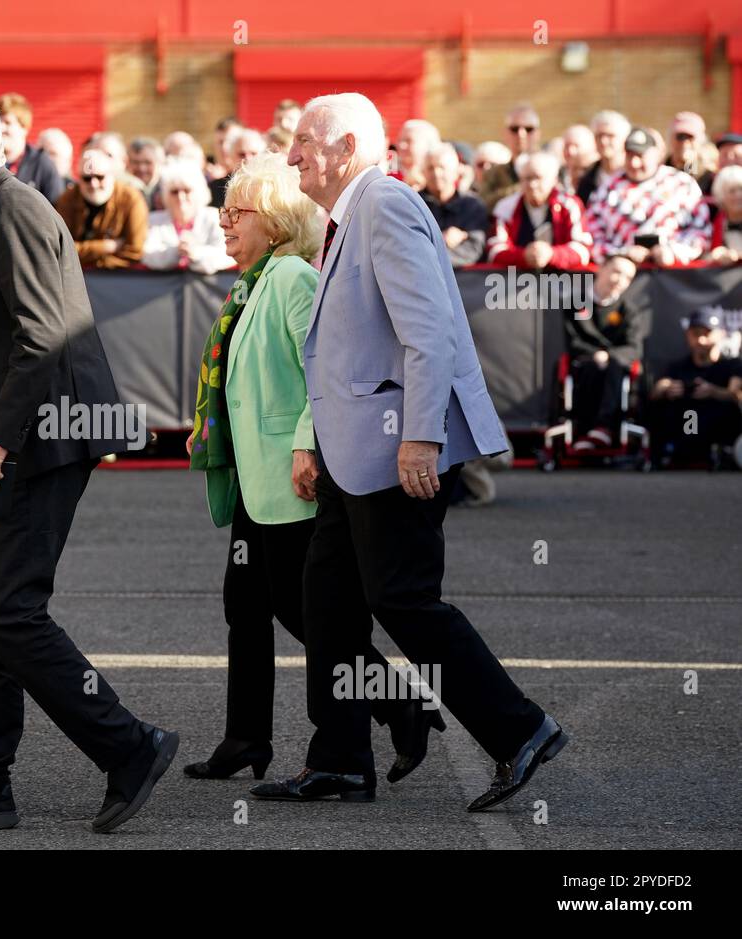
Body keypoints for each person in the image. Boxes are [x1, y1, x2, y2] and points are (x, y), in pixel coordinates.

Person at [266, 92, 565, 811]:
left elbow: (426, 331)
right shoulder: (349, 215)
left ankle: (520, 728)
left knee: (401, 596)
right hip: (354, 451)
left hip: (393, 442)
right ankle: (339, 758)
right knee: (329, 603)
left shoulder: (385, 204)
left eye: (305, 141)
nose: (293, 155)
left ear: (346, 148)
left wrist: (421, 436)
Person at [0, 72, 177, 832]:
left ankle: (128, 745)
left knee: (10, 614)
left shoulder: (12, 206)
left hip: (28, 444)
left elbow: (44, 332)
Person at [182, 151, 442, 783]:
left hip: (291, 476)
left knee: (307, 613)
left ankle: (397, 701)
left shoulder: (293, 278)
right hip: (253, 477)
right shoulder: (252, 283)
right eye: (223, 211)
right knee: (244, 608)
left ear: (272, 220)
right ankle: (245, 738)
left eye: (235, 211)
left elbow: (318, 375)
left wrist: (305, 444)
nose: (223, 223)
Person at [585, 126, 710, 265]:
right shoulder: (607, 188)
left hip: (674, 276)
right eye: (629, 155)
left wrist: (674, 252)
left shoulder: (682, 184)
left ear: (657, 154)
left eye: (640, 155)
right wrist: (622, 252)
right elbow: (591, 236)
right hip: (624, 272)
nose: (634, 163)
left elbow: (701, 231)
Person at [565, 255, 646, 449]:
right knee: (593, 368)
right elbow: (571, 341)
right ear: (601, 268)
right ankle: (586, 429)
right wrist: (595, 354)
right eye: (616, 272)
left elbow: (633, 347)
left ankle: (603, 428)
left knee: (615, 366)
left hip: (615, 365)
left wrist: (609, 357)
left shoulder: (629, 310)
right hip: (584, 365)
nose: (620, 281)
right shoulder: (575, 303)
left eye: (627, 278)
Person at [646, 308, 742, 468]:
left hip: (716, 425)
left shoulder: (732, 365)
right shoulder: (677, 367)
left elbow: (736, 395)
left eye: (707, 333)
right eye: (696, 334)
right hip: (684, 423)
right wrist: (668, 388)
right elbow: (656, 391)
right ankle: (662, 455)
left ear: (722, 334)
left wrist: (713, 391)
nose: (702, 340)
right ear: (688, 335)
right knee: (660, 407)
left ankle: (719, 453)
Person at [486, 151, 592, 268]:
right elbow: (494, 250)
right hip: (516, 281)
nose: (532, 184)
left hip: (562, 281)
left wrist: (551, 255)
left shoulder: (569, 205)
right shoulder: (506, 207)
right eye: (527, 178)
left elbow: (582, 249)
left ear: (554, 180)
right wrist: (523, 256)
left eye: (538, 178)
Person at [55, 148, 148, 269]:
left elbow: (135, 250)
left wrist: (94, 263)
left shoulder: (131, 199)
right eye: (87, 178)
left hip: (119, 277)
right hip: (76, 276)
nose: (93, 184)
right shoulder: (67, 199)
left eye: (100, 177)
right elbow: (60, 248)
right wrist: (106, 247)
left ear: (112, 176)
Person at [140, 158, 234, 274]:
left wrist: (196, 253)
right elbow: (146, 255)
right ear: (165, 195)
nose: (180, 197)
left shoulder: (214, 217)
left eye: (187, 191)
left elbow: (228, 254)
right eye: (174, 192)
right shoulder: (154, 221)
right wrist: (175, 251)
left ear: (199, 192)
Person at [421, 143, 488, 267]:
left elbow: (474, 250)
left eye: (442, 167)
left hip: (466, 283)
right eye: (430, 168)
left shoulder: (472, 206)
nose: (436, 173)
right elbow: (408, 246)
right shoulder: (413, 205)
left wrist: (430, 257)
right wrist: (441, 241)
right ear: (423, 171)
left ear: (456, 171)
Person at [0, 93, 65, 203]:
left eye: (8, 122)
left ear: (24, 128)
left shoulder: (41, 163)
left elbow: (58, 208)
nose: (1, 127)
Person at [479, 104, 542, 210]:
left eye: (528, 129)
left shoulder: (554, 170)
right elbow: (483, 206)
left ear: (538, 134)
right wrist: (520, 190)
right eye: (515, 129)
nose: (521, 134)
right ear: (505, 133)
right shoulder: (493, 174)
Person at [707, 165, 742, 264]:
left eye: (741, 189)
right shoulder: (717, 222)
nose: (738, 195)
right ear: (722, 195)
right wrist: (718, 255)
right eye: (732, 191)